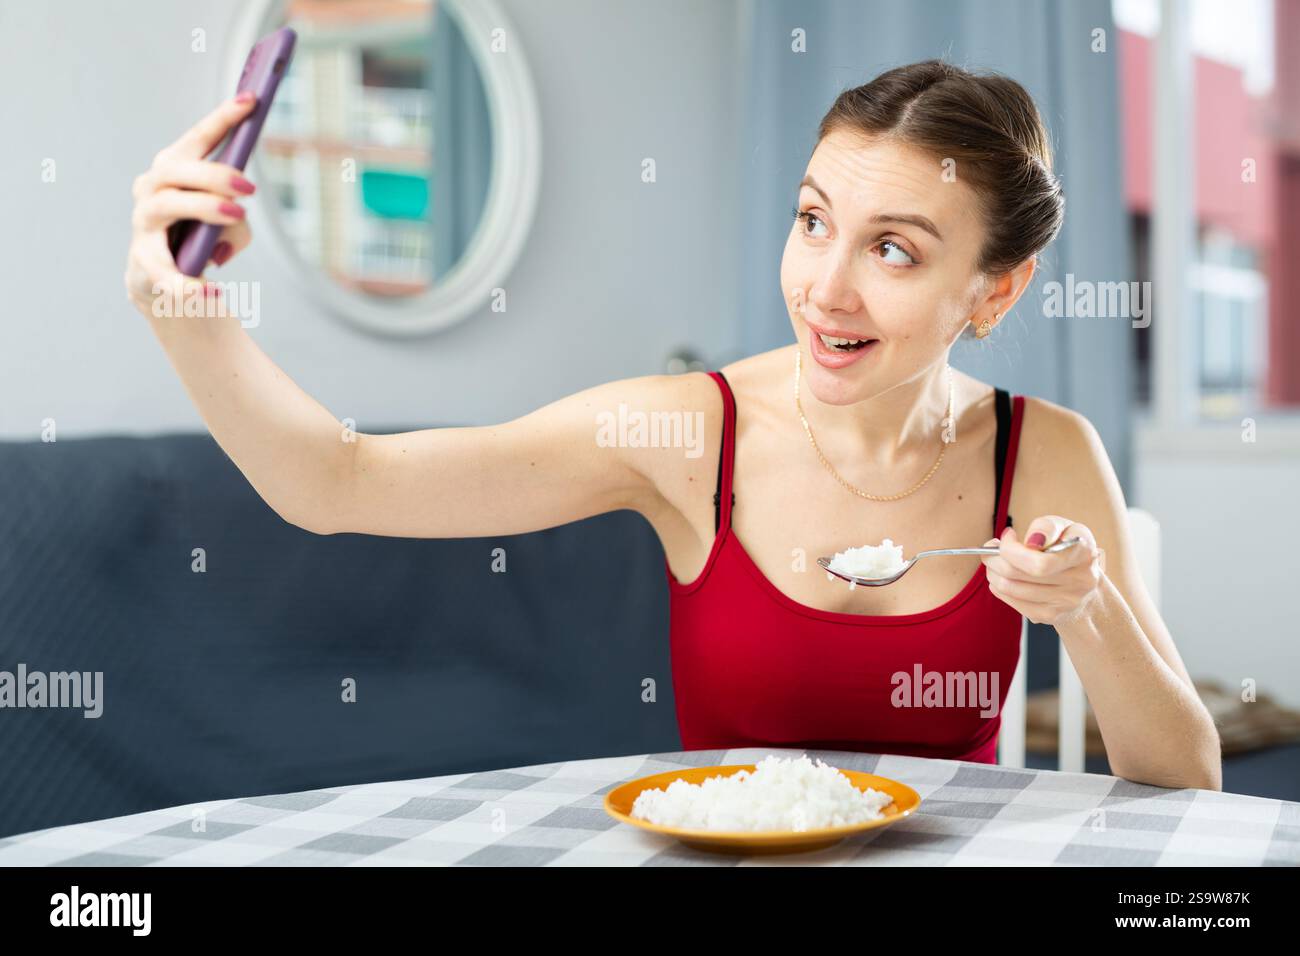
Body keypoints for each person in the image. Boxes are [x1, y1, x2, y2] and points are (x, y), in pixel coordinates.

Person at [123, 60, 1221, 791]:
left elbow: (1185, 779)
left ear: (994, 290)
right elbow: (338, 482)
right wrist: (183, 312)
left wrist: (1088, 612)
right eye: (811, 222)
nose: (824, 289)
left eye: (893, 249)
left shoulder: (1046, 451)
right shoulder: (684, 436)